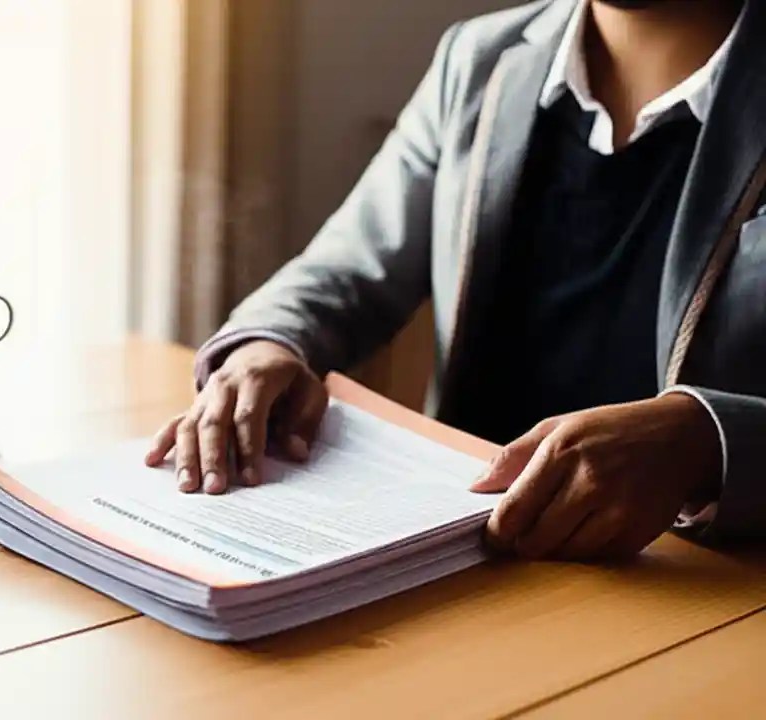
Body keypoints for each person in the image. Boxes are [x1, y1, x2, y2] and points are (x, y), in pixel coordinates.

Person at [145, 0, 766, 561]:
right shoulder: (478, 60)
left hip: (698, 586)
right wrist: (267, 342)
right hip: (460, 548)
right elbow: (347, 266)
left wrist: (707, 441)